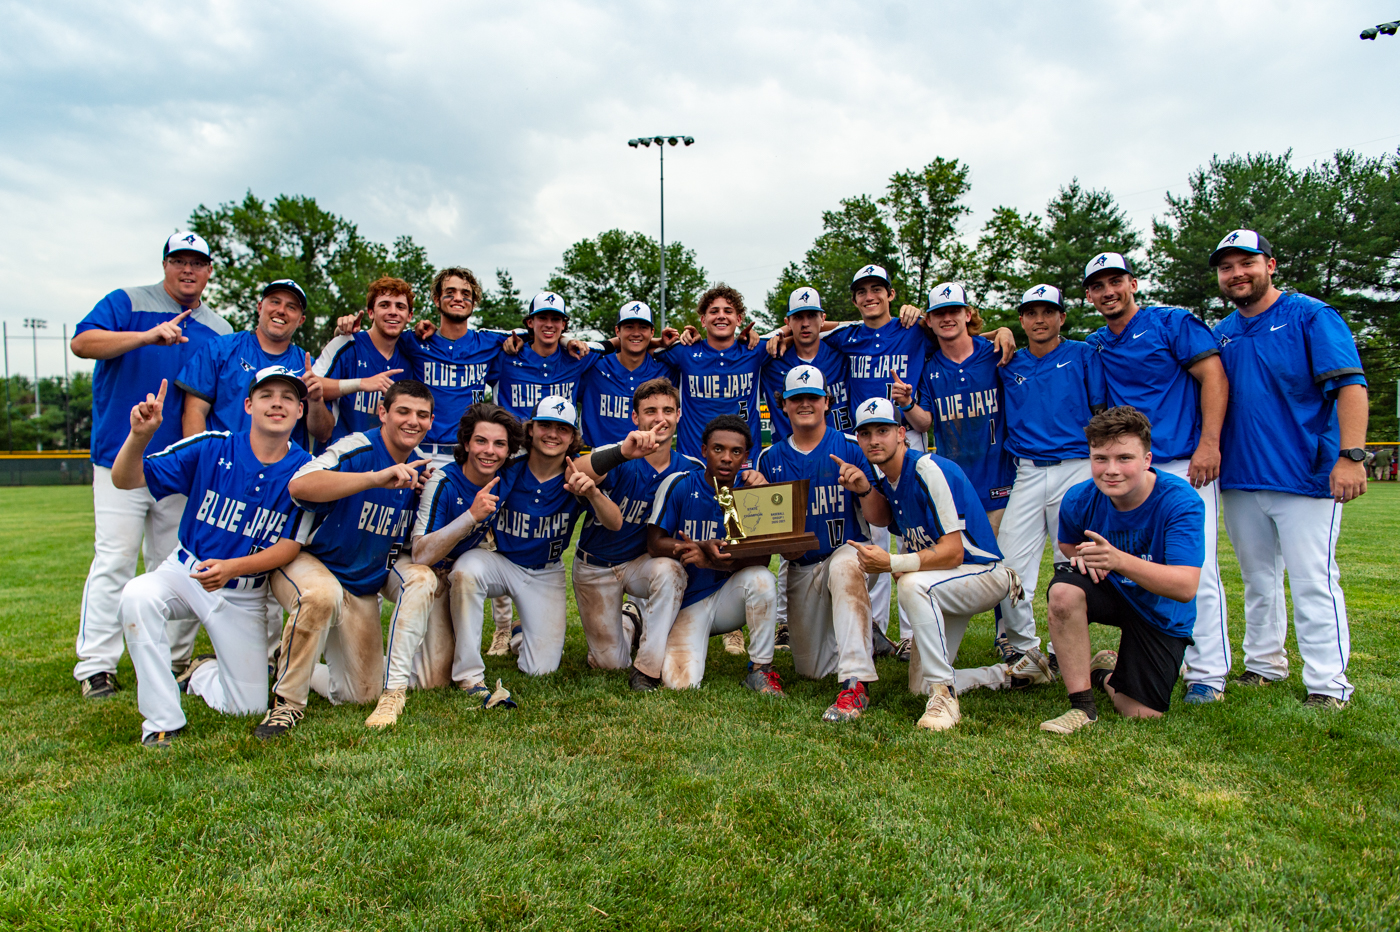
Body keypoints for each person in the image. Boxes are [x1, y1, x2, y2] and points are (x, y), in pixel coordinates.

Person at [109, 368, 312, 746]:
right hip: (185, 572)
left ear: (300, 411)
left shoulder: (307, 470)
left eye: (288, 397)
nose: (277, 403)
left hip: (244, 593)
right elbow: (125, 479)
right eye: (267, 395)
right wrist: (139, 437)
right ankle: (162, 720)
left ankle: (200, 674)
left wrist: (233, 568)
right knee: (137, 596)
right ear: (248, 405)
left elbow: (289, 546)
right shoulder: (212, 445)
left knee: (247, 708)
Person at [70, 231, 233, 699]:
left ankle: (175, 661)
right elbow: (83, 343)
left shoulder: (219, 329)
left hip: (179, 464)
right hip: (121, 456)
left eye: (197, 262)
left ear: (208, 271)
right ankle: (97, 665)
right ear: (165, 264)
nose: (188, 270)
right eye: (179, 260)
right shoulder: (127, 301)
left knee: (175, 564)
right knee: (115, 558)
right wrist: (147, 335)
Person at [1211, 229, 1368, 707]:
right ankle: (1263, 664)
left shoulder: (1310, 314)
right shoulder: (1223, 332)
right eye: (1226, 266)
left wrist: (1351, 455)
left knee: (1312, 580)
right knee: (1258, 580)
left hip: (1304, 475)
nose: (1237, 273)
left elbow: (1350, 386)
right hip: (1240, 477)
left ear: (1271, 265)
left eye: (1247, 263)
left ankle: (1327, 683)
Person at [1082, 251, 1232, 705]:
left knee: (1193, 567)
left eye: (1116, 281)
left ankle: (1209, 673)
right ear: (1089, 295)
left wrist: (1209, 444)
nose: (1108, 291)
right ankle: (1163, 656)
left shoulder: (1172, 322)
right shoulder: (1095, 342)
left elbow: (1214, 376)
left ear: (1132, 283)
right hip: (1126, 467)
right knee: (1138, 566)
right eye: (1098, 285)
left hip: (1180, 461)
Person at [256, 380, 440, 739]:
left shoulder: (418, 470)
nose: (412, 421)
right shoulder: (359, 446)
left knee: (361, 694)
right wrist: (373, 479)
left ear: (432, 421)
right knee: (321, 594)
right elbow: (300, 485)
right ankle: (286, 706)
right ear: (383, 412)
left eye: (421, 415)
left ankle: (297, 660)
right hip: (309, 559)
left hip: (359, 584)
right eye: (402, 411)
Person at [852, 397, 1023, 732]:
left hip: (983, 573)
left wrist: (893, 562)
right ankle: (1009, 673)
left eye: (883, 430)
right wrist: (863, 490)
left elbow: (954, 552)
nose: (874, 439)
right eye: (866, 433)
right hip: (948, 581)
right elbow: (886, 520)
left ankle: (945, 696)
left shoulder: (927, 469)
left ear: (901, 433)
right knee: (918, 685)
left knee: (911, 583)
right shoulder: (890, 480)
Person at [1040, 407, 1205, 733]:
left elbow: (1186, 586)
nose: (1111, 470)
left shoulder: (1180, 502)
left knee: (1141, 713)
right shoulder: (1079, 498)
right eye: (1100, 458)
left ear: (1147, 460)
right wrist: (1092, 562)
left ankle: (1103, 673)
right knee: (1063, 591)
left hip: (1160, 607)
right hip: (1112, 590)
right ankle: (1082, 707)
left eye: (1124, 458)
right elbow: (1069, 544)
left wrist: (1117, 560)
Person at [439, 396, 622, 678]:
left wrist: (593, 494)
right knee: (466, 572)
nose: (553, 434)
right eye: (545, 425)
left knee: (540, 669)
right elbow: (464, 474)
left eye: (563, 429)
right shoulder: (509, 466)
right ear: (531, 429)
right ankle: (468, 671)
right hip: (498, 562)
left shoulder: (575, 475)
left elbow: (615, 523)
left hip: (544, 572)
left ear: (573, 436)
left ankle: (519, 632)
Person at [372, 402, 525, 727]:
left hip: (447, 574)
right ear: (466, 442)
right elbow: (421, 555)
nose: (490, 451)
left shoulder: (506, 474)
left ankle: (410, 664)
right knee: (362, 684)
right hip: (413, 570)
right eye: (481, 441)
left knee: (432, 679)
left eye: (500, 444)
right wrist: (471, 515)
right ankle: (383, 675)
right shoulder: (442, 480)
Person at [755, 366, 891, 722]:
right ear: (783, 404)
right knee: (811, 669)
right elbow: (768, 538)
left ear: (826, 402)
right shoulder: (769, 460)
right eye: (796, 398)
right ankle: (864, 633)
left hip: (848, 555)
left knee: (846, 564)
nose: (804, 404)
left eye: (812, 397)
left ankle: (854, 684)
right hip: (802, 567)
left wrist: (863, 488)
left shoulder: (849, 447)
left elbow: (881, 519)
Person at [994, 284, 1107, 669]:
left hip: (1074, 465)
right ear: (1022, 319)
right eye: (1031, 313)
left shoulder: (1082, 354)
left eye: (1048, 312)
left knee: (1071, 561)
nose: (1039, 320)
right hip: (1026, 469)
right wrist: (999, 333)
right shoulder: (1010, 362)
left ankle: (1064, 652)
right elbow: (958, 334)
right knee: (1009, 564)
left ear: (1061, 317)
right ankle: (1027, 649)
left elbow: (1101, 410)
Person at [571, 378, 697, 690]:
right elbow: (574, 470)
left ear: (679, 415)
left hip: (641, 563)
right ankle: (630, 621)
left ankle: (647, 669)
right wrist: (623, 453)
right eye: (650, 411)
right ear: (635, 418)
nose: (660, 418)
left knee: (671, 570)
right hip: (596, 565)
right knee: (609, 662)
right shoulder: (617, 452)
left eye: (668, 410)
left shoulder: (688, 468)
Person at [647, 414, 782, 692]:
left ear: (746, 456)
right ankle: (641, 623)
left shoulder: (749, 492)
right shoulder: (682, 484)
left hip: (727, 598)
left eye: (736, 451)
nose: (726, 458)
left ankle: (760, 668)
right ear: (704, 450)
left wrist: (712, 560)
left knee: (762, 579)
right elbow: (653, 543)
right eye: (718, 449)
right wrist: (690, 548)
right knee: (680, 684)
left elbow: (761, 558)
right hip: (688, 601)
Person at [899, 282, 1016, 534]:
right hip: (955, 483)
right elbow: (924, 423)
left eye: (954, 310)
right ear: (928, 320)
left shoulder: (995, 354)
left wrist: (1004, 329)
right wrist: (907, 403)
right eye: (939, 313)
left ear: (968, 314)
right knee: (964, 566)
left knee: (1006, 566)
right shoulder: (929, 368)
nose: (948, 318)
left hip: (999, 480)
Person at [655, 285, 766, 460]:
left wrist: (778, 337)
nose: (721, 315)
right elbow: (636, 345)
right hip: (694, 461)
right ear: (703, 320)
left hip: (744, 465)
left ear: (739, 319)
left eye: (728, 311)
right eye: (714, 311)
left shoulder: (755, 350)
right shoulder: (685, 351)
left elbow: (797, 334)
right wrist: (660, 341)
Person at [311, 277, 416, 444]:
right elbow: (310, 384)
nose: (393, 311)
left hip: (383, 464)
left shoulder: (410, 356)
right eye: (384, 305)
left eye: (400, 307)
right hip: (339, 461)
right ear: (370, 312)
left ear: (409, 315)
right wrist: (360, 383)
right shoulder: (345, 343)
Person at [577, 301, 675, 449]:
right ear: (617, 331)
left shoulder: (665, 371)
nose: (636, 333)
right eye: (629, 327)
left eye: (643, 327)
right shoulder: (595, 366)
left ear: (652, 332)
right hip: (598, 463)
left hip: (647, 461)